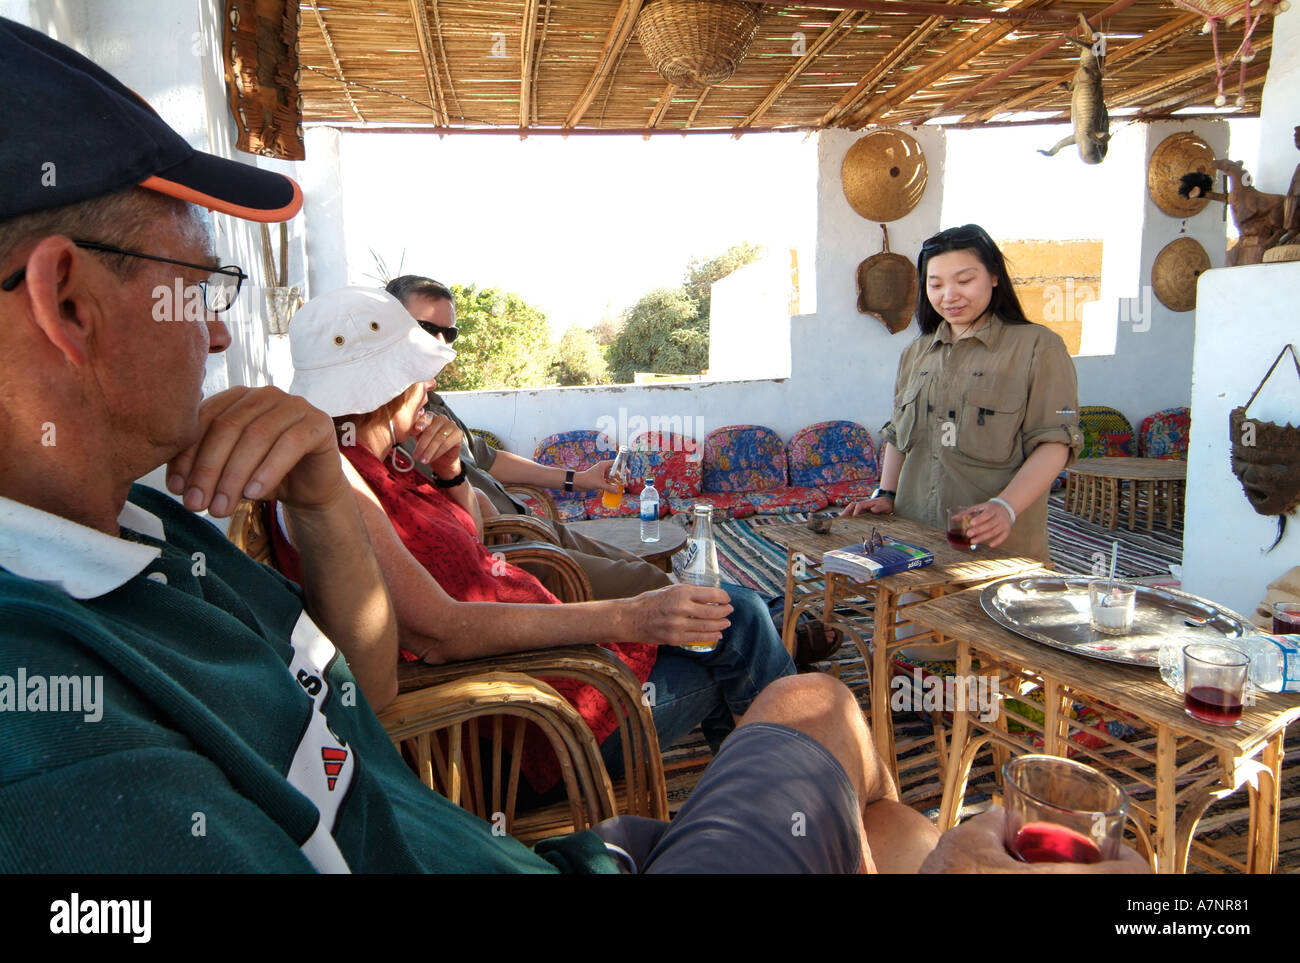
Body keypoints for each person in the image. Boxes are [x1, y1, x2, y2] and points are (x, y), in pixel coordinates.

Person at [0, 18, 1144, 875]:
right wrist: (628, 614)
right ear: (69, 302)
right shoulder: (54, 741)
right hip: (541, 733)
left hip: (534, 831)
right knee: (811, 705)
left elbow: (367, 687)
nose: (214, 328)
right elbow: (441, 632)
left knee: (831, 734)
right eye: (201, 281)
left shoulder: (149, 535)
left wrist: (319, 499)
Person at [272, 287, 795, 795]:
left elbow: (471, 542)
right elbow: (439, 630)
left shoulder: (386, 461)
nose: (428, 386)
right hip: (527, 718)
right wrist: (631, 616)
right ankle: (786, 782)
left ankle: (759, 783)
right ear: (380, 388)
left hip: (544, 661)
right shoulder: (342, 484)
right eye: (414, 373)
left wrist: (452, 470)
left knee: (731, 620)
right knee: (739, 626)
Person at [384, 274, 673, 601]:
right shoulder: (386, 425)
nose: (440, 342)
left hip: (531, 525)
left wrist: (579, 479)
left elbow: (489, 461)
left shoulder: (432, 403)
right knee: (655, 586)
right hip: (514, 552)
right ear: (389, 326)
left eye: (449, 333)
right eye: (426, 329)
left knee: (643, 567)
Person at [844, 224, 1083, 563]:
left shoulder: (1037, 347)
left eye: (964, 281)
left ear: (994, 277)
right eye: (936, 284)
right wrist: (887, 493)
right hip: (915, 543)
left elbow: (1055, 441)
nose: (949, 295)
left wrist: (1006, 507)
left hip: (996, 549)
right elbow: (900, 434)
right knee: (912, 615)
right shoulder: (917, 352)